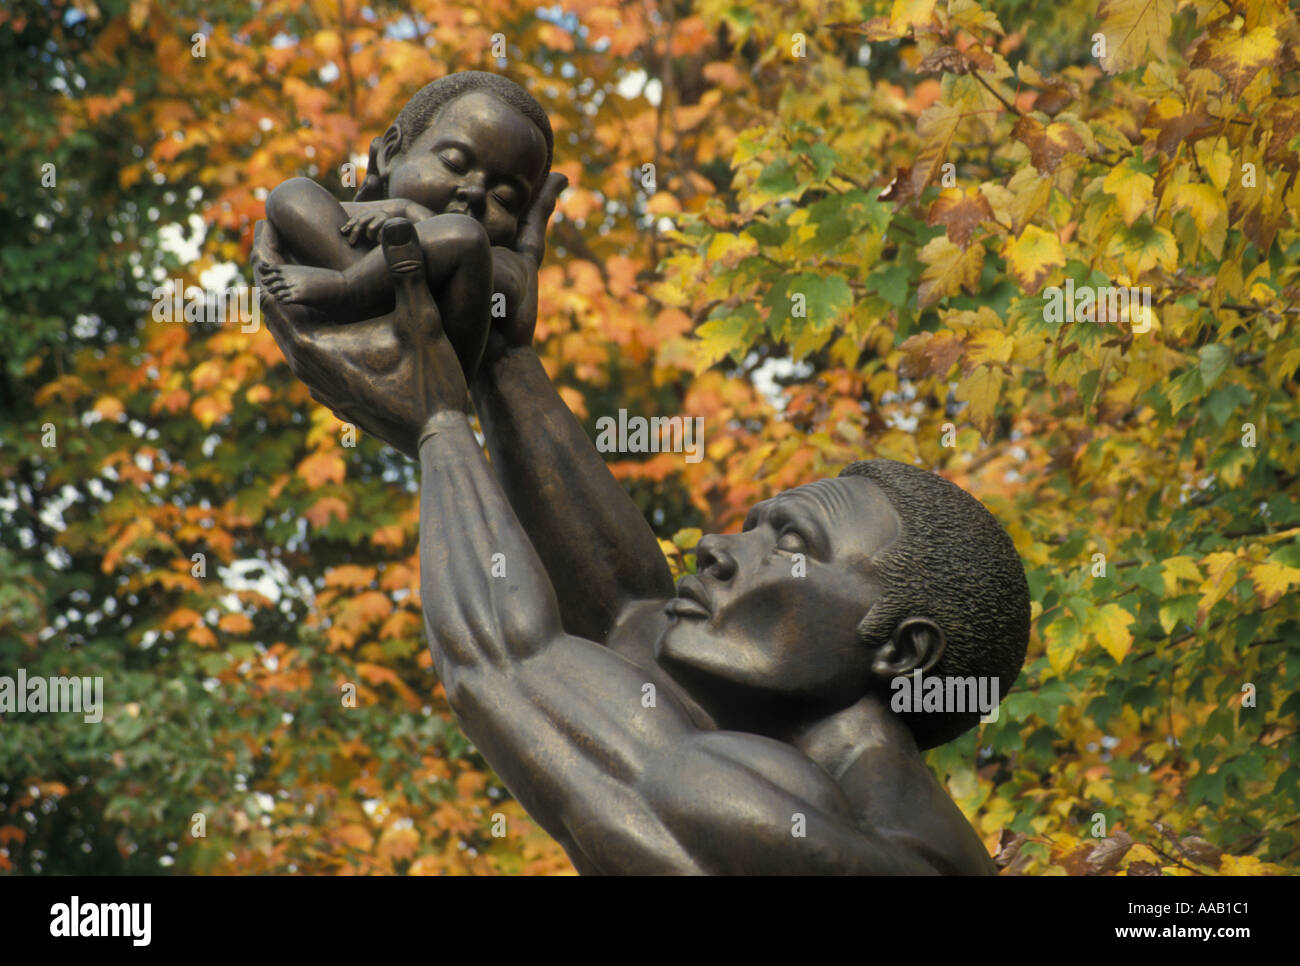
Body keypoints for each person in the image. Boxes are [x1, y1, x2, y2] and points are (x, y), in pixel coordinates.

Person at [253, 126, 1030, 877]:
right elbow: (626, 612)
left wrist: (439, 428)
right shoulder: (807, 768)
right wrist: (499, 355)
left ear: (902, 652)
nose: (717, 547)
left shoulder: (810, 837)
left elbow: (505, 667)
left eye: (789, 544)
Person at [258, 71, 552, 382]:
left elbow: (457, 246)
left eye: (503, 198)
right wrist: (394, 211)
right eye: (454, 163)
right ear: (389, 153)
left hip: (435, 360)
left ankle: (347, 288)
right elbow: (326, 214)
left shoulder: (510, 266)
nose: (476, 193)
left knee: (464, 233)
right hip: (365, 308)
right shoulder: (383, 220)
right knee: (291, 192)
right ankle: (364, 301)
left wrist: (407, 212)